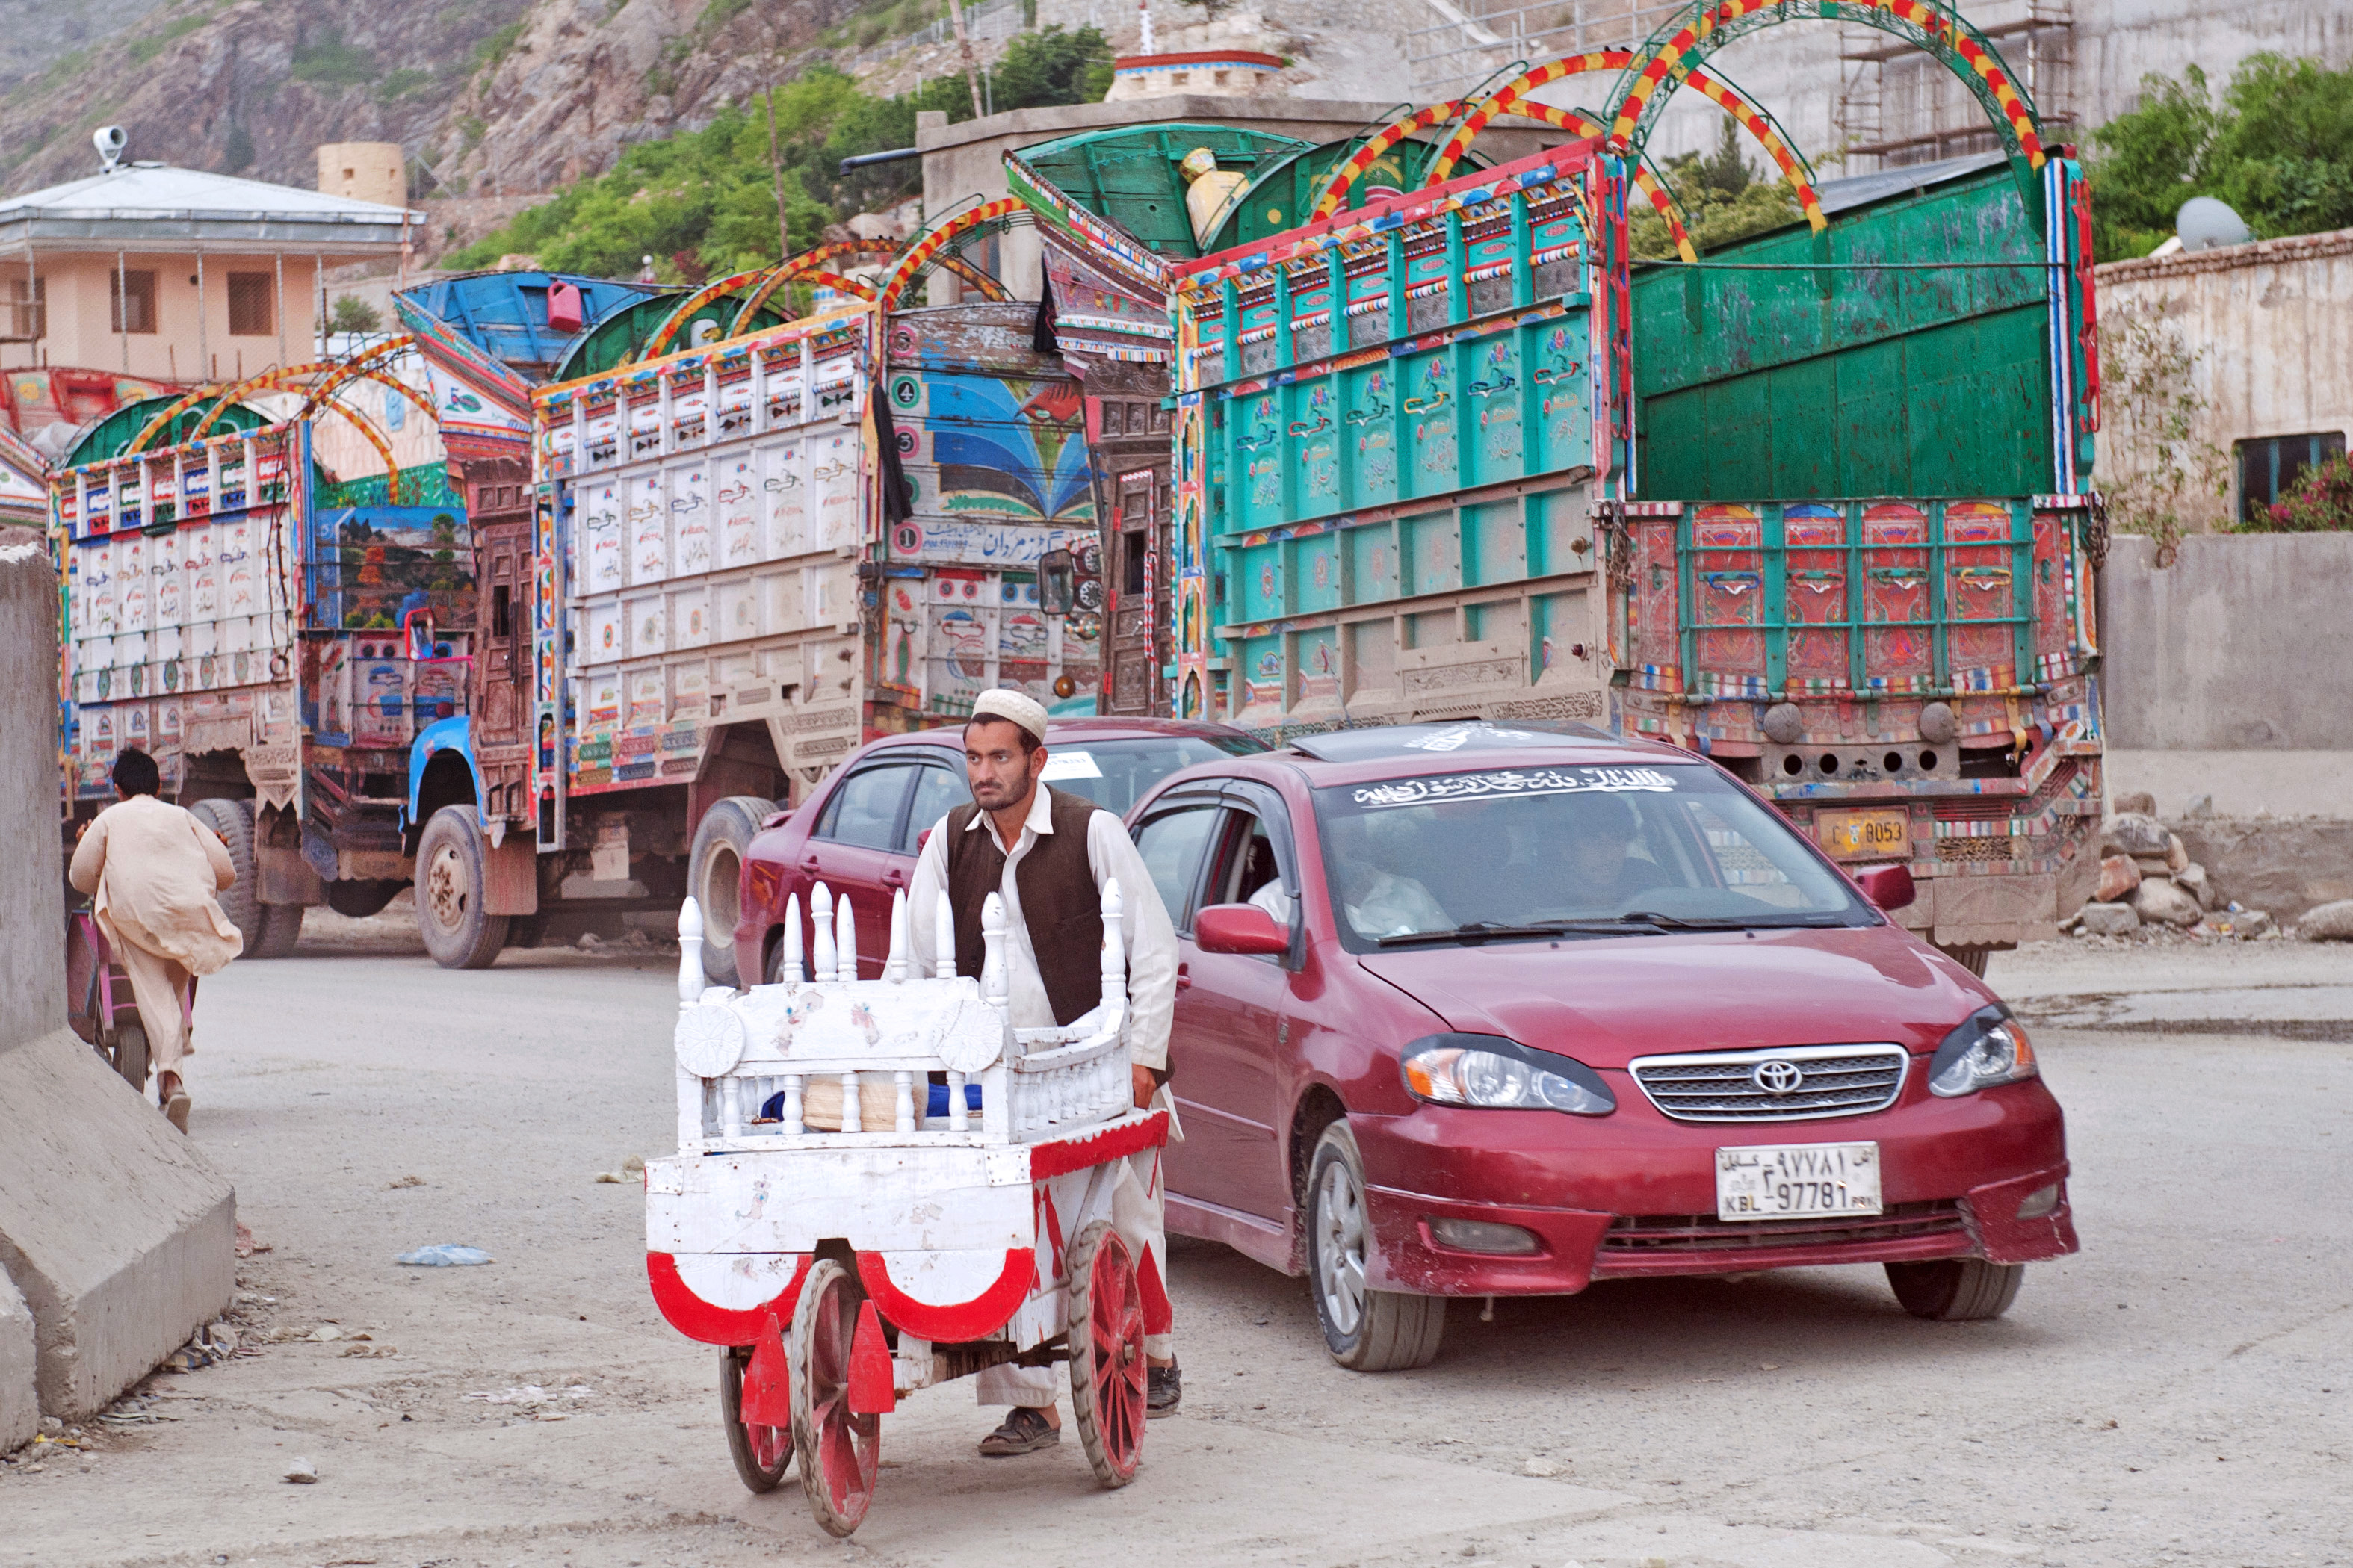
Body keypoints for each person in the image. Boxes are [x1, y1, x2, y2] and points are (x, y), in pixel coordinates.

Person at [906, 688, 1184, 1456]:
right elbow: (918, 962)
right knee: (1017, 1228)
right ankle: (1035, 1404)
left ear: (1037, 759)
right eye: (973, 757)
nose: (984, 772)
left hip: (1100, 1063)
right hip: (1001, 1074)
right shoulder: (948, 842)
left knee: (1125, 1216)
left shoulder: (1091, 832)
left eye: (999, 756)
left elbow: (1155, 954)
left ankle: (1152, 1351)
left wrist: (1144, 1061)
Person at [67, 749, 244, 1132]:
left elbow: (80, 877)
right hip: (186, 914)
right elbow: (225, 871)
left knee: (155, 994)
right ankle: (170, 1078)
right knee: (171, 997)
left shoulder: (109, 818)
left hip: (137, 918)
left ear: (117, 789)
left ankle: (171, 1081)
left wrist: (106, 874)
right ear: (160, 786)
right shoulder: (182, 816)